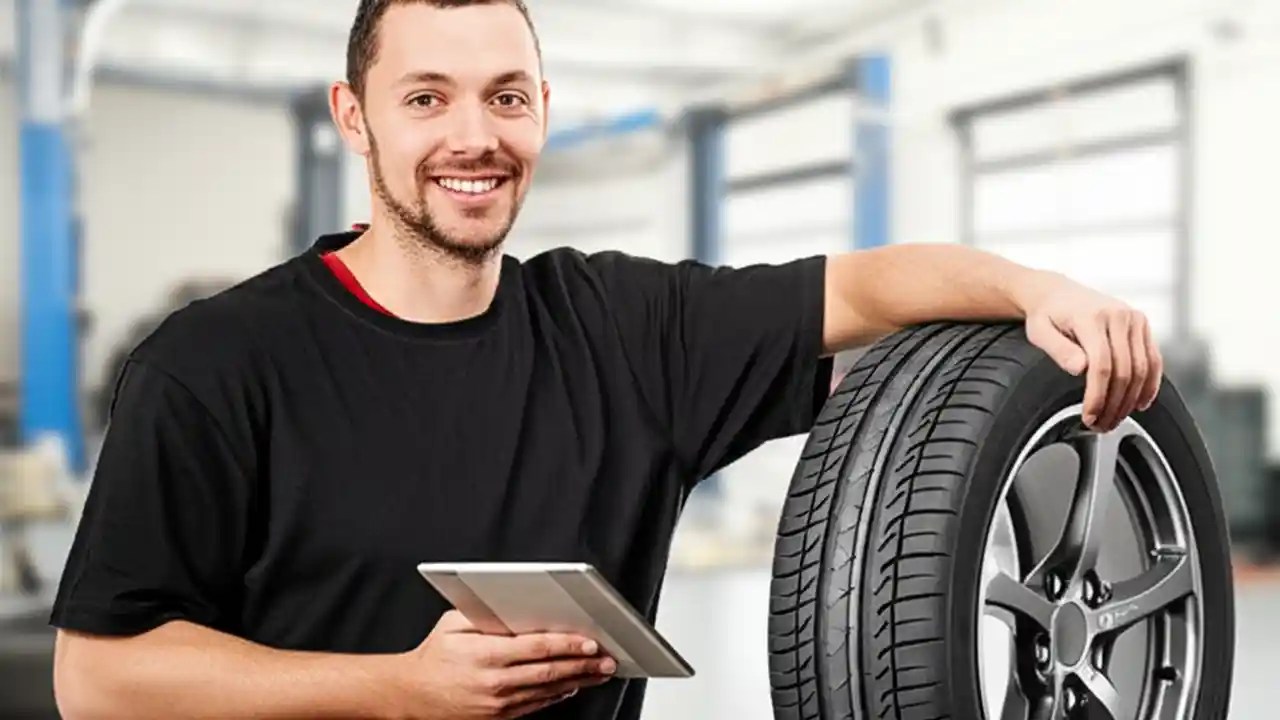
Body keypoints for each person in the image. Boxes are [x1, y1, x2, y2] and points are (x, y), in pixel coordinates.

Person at [47, 1, 1163, 719]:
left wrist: (1036, 291)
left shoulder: (626, 329)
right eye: (425, 98)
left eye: (506, 97)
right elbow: (99, 678)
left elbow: (868, 289)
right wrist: (397, 689)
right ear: (354, 116)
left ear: (542, 112)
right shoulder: (212, 365)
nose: (472, 137)